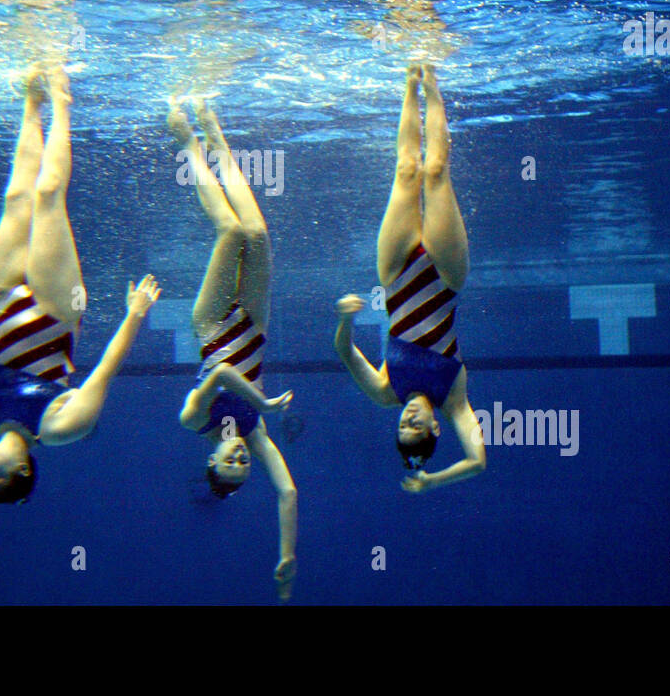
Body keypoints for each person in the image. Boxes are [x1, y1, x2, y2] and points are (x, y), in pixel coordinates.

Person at [0, 64, 160, 503]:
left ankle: (32, 99)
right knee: (47, 197)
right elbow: (103, 372)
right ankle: (62, 101)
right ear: (23, 469)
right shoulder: (60, 429)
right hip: (55, 313)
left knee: (15, 198)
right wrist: (134, 316)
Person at [334, 63, 485, 494]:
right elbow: (477, 460)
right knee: (434, 171)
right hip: (444, 276)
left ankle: (408, 80)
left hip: (397, 274)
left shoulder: (386, 390)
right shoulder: (453, 398)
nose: (409, 420)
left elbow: (344, 352)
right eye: (417, 428)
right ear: (436, 428)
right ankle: (432, 81)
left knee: (405, 170)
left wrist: (345, 319)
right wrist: (432, 480)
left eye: (402, 427)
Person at [168, 96, 298, 601]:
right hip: (255, 327)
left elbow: (221, 372)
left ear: (212, 459)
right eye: (244, 466)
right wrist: (288, 554)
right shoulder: (251, 430)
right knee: (258, 233)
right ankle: (214, 127)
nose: (242, 457)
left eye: (230, 462)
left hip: (215, 325)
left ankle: (188, 143)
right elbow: (287, 490)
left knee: (230, 231)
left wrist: (262, 404)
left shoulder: (194, 421)